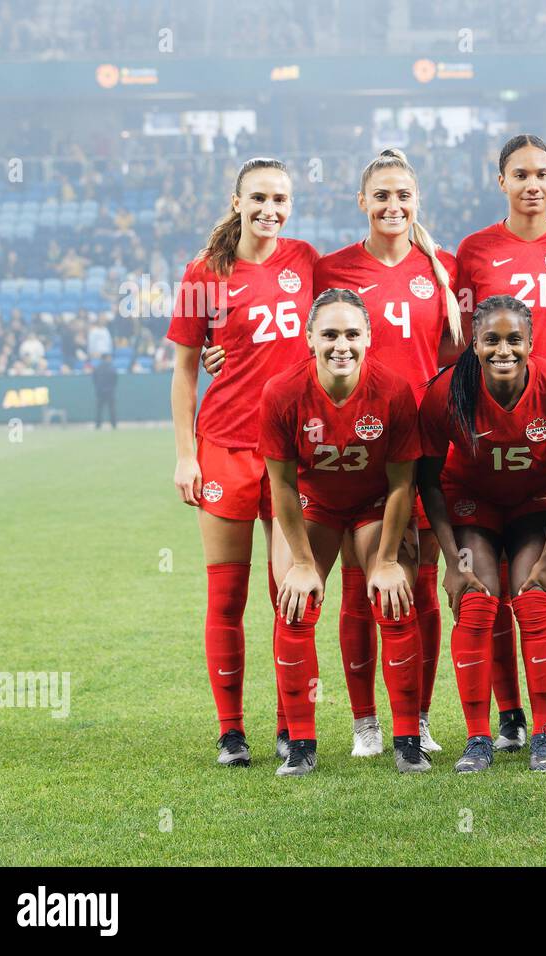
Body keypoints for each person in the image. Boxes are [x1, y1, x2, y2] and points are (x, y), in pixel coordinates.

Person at [209, 149, 464, 757]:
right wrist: (230, 354)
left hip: (412, 446)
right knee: (350, 591)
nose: (392, 205)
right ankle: (360, 724)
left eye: (403, 195)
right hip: (334, 451)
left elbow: (461, 354)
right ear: (362, 201)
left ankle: (417, 720)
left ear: (417, 199)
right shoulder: (329, 269)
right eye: (380, 195)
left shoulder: (445, 268)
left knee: (415, 588)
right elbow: (287, 320)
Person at [167, 157, 318, 767]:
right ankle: (232, 731)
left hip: (292, 453)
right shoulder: (204, 272)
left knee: (291, 590)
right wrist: (185, 456)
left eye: (280, 198)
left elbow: (358, 304)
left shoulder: (307, 260)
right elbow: (182, 370)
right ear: (236, 201)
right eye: (258, 197)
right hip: (225, 448)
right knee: (226, 598)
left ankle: (290, 724)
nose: (270, 209)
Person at [455, 135, 546, 753]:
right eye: (520, 174)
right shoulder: (474, 251)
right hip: (495, 425)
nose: (532, 184)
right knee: (495, 581)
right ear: (502, 181)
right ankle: (511, 714)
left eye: (543, 173)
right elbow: (459, 337)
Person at [417, 294, 546, 773]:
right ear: (474, 343)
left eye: (515, 339)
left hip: (534, 501)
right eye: (491, 340)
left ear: (532, 342)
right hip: (472, 503)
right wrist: (453, 560)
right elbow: (427, 481)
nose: (503, 350)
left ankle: (545, 735)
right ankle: (478, 738)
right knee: (475, 599)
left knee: (532, 599)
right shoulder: (445, 393)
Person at [258, 288, 424, 776]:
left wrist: (389, 559)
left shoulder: (393, 391)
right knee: (295, 603)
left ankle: (407, 739)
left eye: (352, 334)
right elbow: (282, 485)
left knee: (394, 598)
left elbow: (401, 486)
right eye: (329, 334)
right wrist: (304, 563)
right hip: (316, 506)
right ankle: (301, 744)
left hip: (375, 506)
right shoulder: (282, 393)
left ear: (369, 337)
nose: (341, 345)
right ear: (309, 337)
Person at [93, 352, 117, 429]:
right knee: (112, 409)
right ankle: (113, 424)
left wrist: (98, 387)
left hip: (100, 391)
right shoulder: (111, 367)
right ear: (106, 358)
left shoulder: (97, 367)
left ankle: (98, 425)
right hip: (109, 391)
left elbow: (94, 379)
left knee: (99, 409)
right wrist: (112, 387)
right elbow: (115, 378)